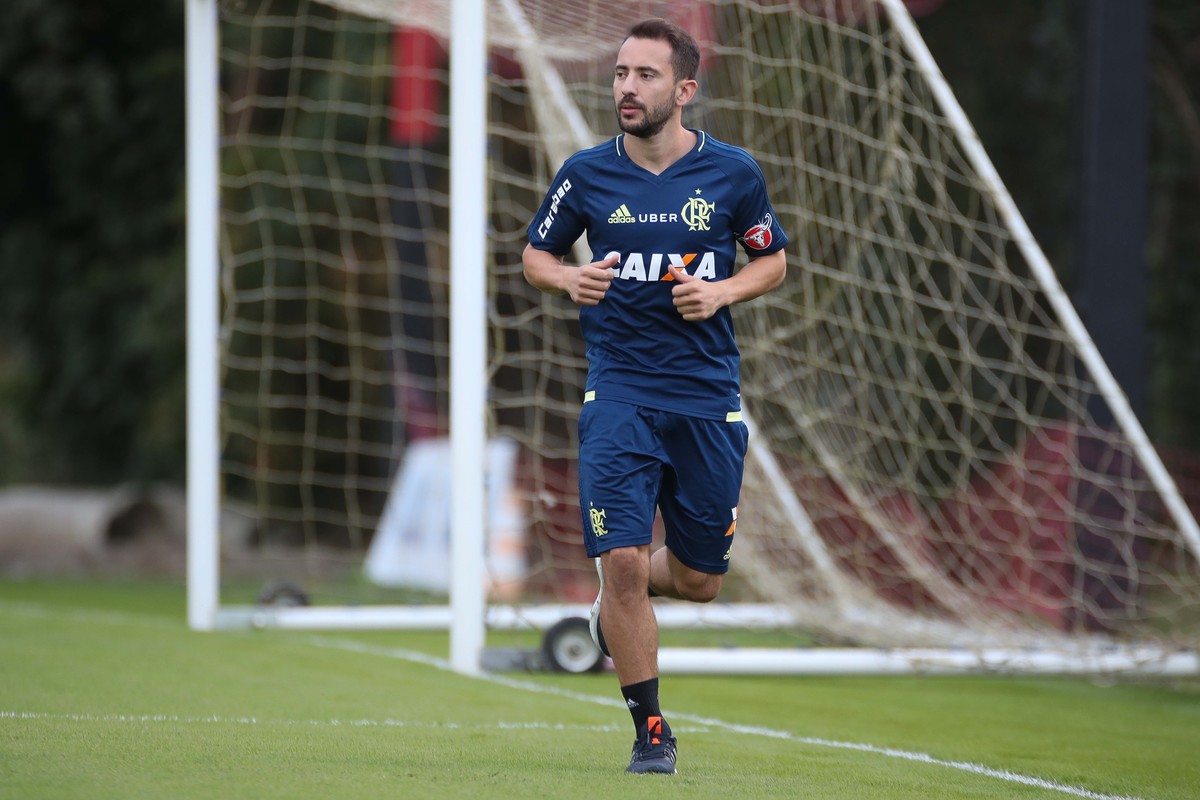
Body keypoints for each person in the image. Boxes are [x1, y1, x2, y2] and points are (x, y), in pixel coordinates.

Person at [522, 17, 788, 776]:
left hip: (706, 396)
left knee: (701, 580)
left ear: (684, 89)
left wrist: (724, 288)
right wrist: (570, 277)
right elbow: (536, 254)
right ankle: (652, 734)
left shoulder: (733, 174)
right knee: (625, 562)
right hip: (620, 393)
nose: (626, 88)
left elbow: (772, 262)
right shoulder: (585, 173)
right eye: (619, 74)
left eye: (643, 75)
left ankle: (618, 605)